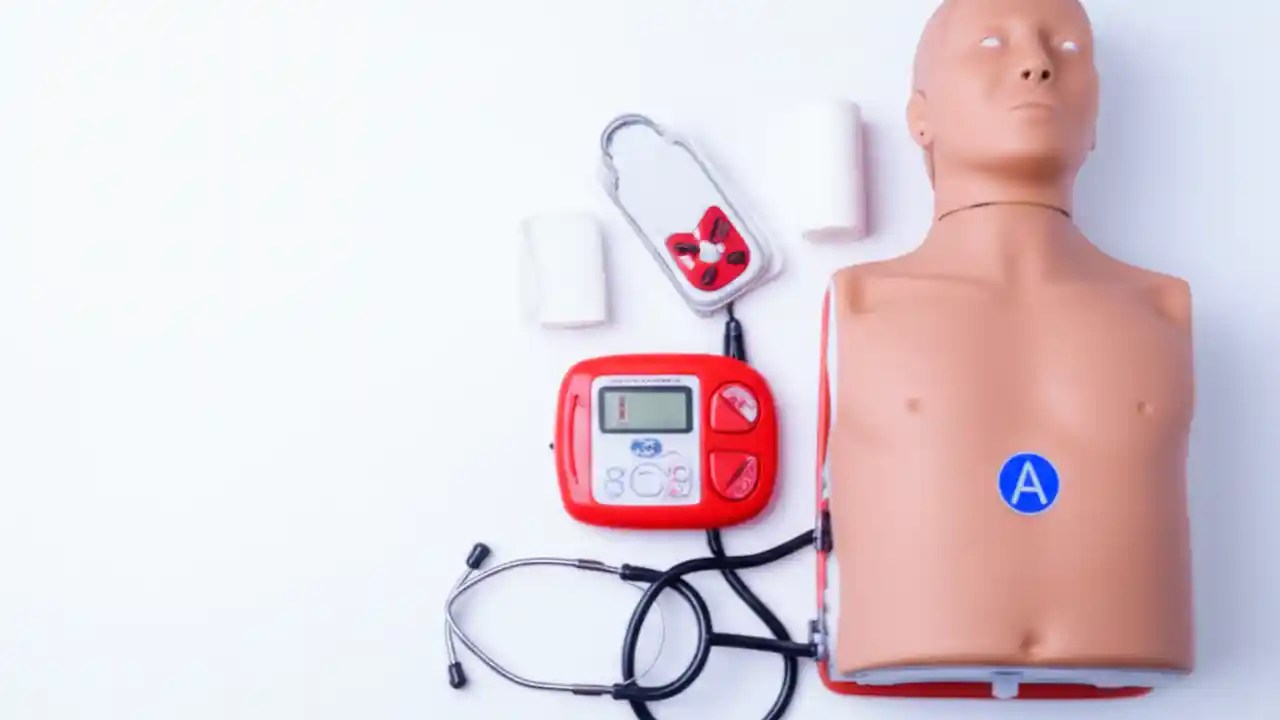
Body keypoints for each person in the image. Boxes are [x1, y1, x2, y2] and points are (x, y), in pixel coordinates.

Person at [827, 0, 1195, 678]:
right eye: (993, 42)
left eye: (1068, 49)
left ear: (1097, 123)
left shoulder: (1162, 307)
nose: (1036, 66)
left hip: (1135, 655)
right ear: (920, 118)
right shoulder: (862, 304)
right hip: (901, 654)